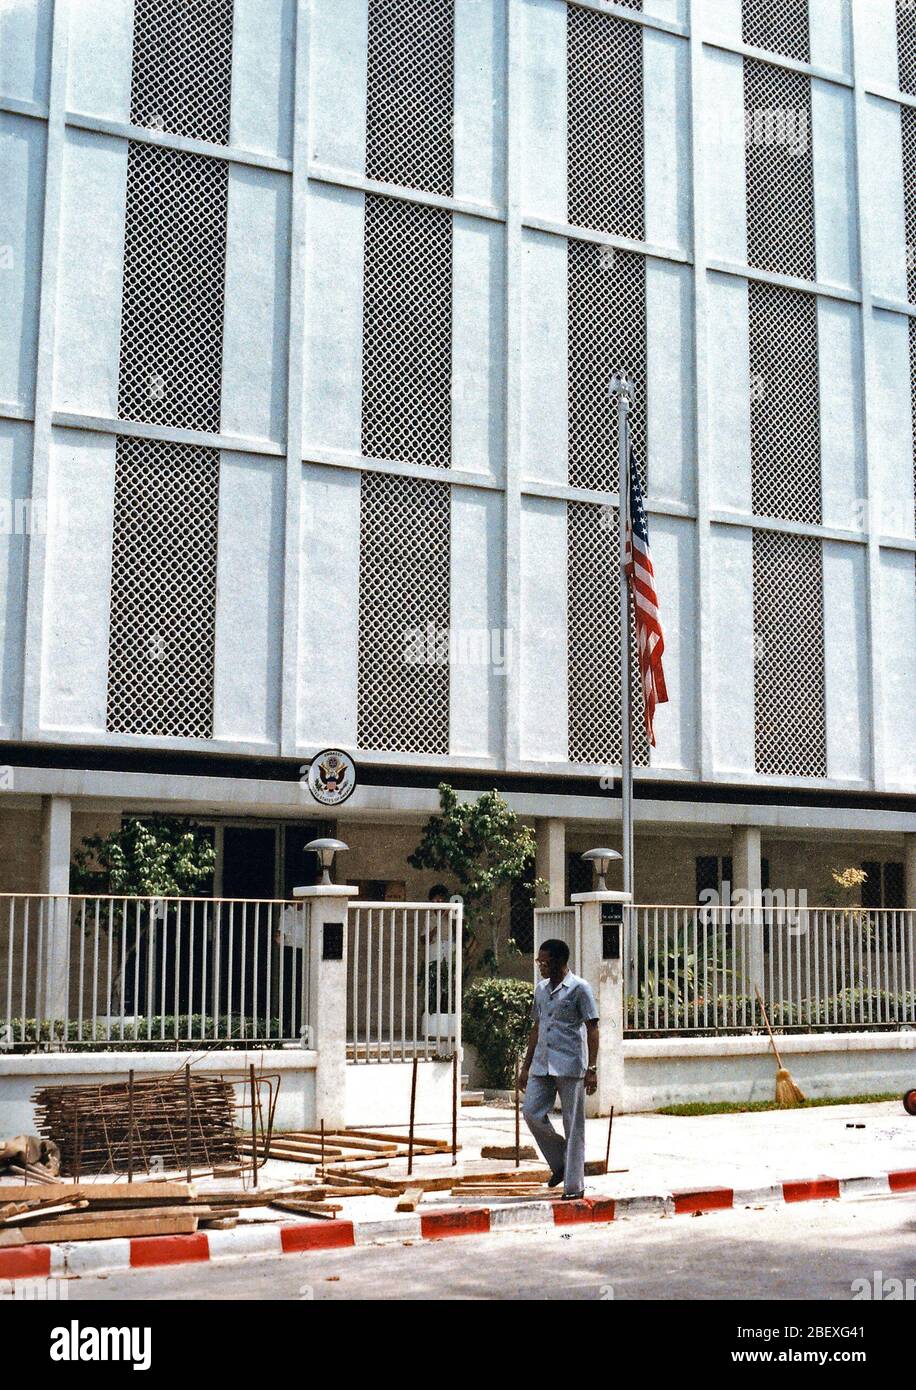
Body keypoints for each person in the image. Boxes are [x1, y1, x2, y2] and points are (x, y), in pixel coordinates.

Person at [519, 938, 599, 1200]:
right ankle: (563, 1162)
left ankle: (574, 1187)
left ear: (560, 961)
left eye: (545, 962)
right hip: (542, 1064)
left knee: (573, 1125)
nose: (541, 966)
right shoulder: (541, 989)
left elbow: (592, 1028)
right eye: (538, 961)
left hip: (570, 1065)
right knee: (531, 1112)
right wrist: (525, 1065)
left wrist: (592, 1068)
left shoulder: (579, 988)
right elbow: (536, 1027)